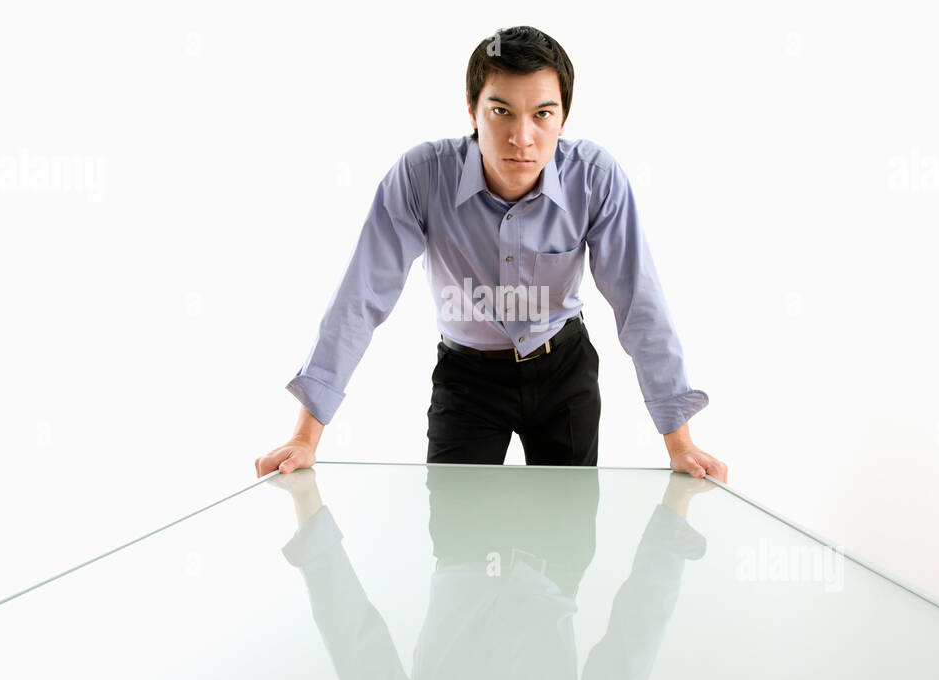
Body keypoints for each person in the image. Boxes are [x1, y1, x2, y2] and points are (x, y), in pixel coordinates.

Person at [255, 25, 727, 481]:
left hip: (564, 370)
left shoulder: (595, 177)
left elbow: (638, 303)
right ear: (472, 109)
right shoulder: (422, 176)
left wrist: (680, 444)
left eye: (542, 114)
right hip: (466, 380)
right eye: (501, 111)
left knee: (567, 541)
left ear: (563, 117)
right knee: (457, 544)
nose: (522, 137)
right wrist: (305, 437)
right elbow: (360, 297)